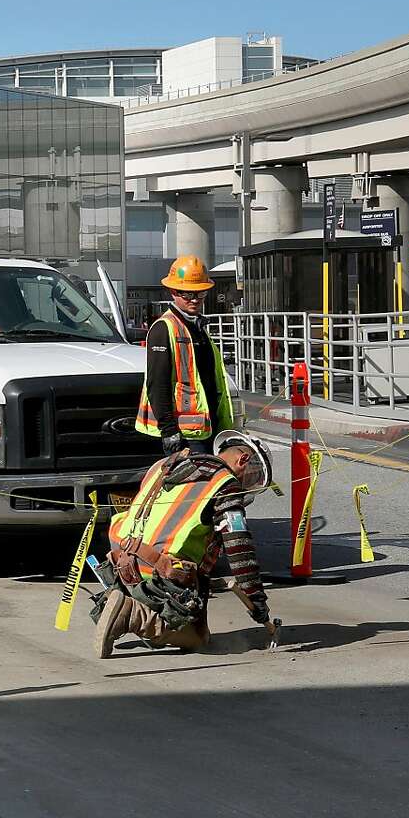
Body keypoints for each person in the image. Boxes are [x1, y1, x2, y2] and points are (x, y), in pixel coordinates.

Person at [92, 430, 274, 657]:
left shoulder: (165, 464)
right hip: (158, 571)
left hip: (120, 563)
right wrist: (256, 598)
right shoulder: (226, 485)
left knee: (195, 618)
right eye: (253, 478)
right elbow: (239, 548)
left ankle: (119, 604)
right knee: (197, 638)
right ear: (243, 459)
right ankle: (134, 615)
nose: (248, 485)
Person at [135, 254, 233, 456]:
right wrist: (169, 430)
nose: (194, 299)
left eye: (200, 293)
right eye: (187, 294)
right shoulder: (164, 328)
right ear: (173, 292)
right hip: (184, 434)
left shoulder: (199, 328)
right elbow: (157, 383)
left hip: (206, 428)